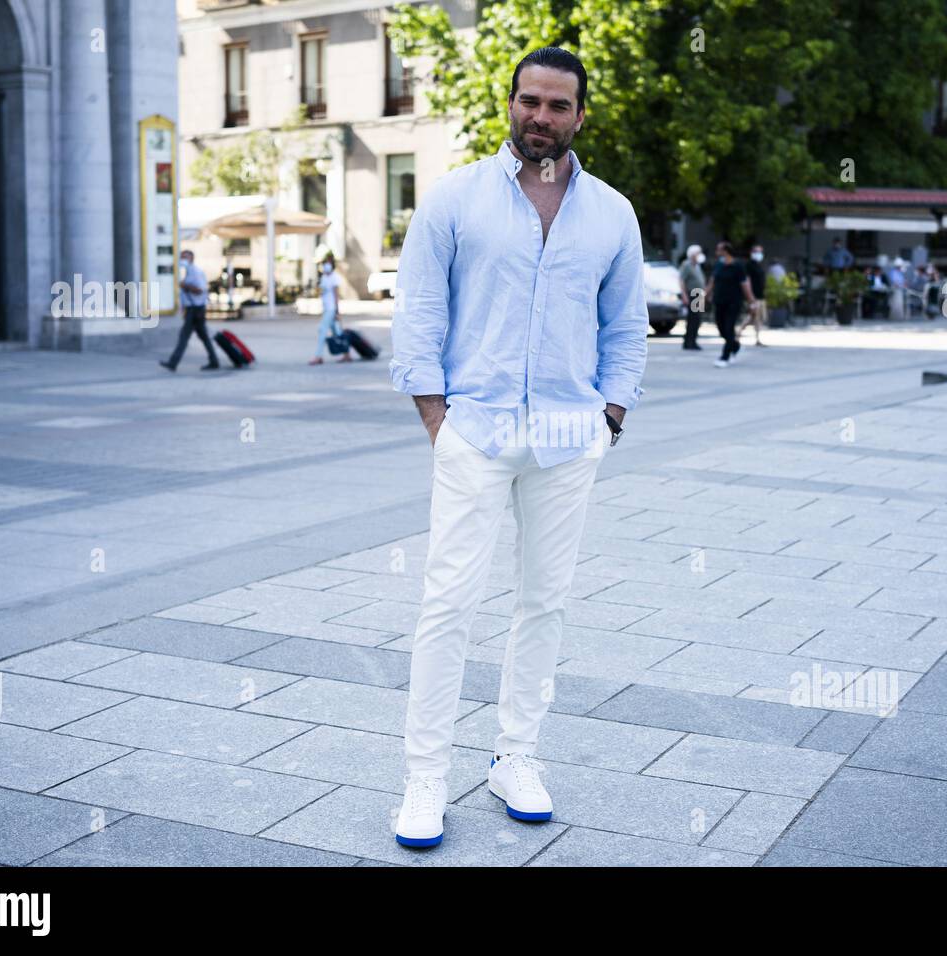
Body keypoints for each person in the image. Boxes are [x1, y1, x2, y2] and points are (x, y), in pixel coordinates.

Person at [388, 46, 647, 849]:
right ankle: (426, 779)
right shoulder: (455, 197)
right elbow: (420, 311)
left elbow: (626, 324)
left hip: (570, 440)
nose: (541, 116)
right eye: (529, 101)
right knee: (448, 604)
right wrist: (438, 417)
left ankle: (516, 758)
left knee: (545, 602)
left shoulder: (612, 212)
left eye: (558, 105)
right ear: (511, 103)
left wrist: (611, 414)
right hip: (476, 429)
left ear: (579, 115)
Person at [160, 249, 219, 372]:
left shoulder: (195, 272)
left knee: (184, 336)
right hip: (193, 310)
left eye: (185, 257)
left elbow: (200, 290)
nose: (183, 260)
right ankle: (214, 361)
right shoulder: (187, 272)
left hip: (195, 310)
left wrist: (185, 286)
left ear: (192, 258)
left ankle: (173, 363)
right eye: (181, 257)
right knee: (203, 336)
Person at [703, 240, 756, 366]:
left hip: (733, 302)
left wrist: (751, 301)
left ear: (725, 251)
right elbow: (712, 282)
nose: (716, 252)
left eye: (718, 249)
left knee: (729, 328)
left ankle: (724, 357)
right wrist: (703, 297)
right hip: (719, 301)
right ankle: (735, 346)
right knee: (721, 329)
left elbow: (745, 284)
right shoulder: (718, 265)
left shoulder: (738, 266)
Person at [310, 252, 349, 364]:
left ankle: (318, 356)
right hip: (326, 308)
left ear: (332, 265)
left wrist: (337, 311)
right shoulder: (324, 277)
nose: (326, 265)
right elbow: (322, 292)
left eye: (328, 263)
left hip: (332, 309)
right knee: (337, 332)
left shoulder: (334, 277)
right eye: (325, 263)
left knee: (322, 330)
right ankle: (347, 354)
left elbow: (336, 295)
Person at [678, 243, 706, 350]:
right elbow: (681, 280)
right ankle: (689, 342)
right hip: (693, 293)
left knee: (697, 319)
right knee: (693, 319)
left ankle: (693, 340)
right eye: (698, 253)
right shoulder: (687, 264)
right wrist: (684, 295)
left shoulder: (697, 265)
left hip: (699, 294)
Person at [741, 243, 767, 345]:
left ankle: (757, 338)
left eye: (760, 252)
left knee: (758, 318)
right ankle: (738, 333)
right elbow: (747, 281)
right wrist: (750, 297)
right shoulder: (749, 265)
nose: (759, 254)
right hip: (754, 296)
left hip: (760, 295)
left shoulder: (758, 265)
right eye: (757, 251)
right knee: (752, 316)